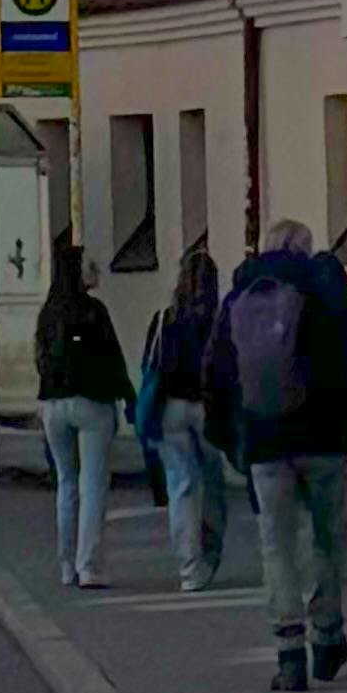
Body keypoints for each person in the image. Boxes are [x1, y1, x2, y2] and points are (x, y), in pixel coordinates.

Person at [204, 217, 347, 693]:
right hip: (327, 441)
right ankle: (327, 635)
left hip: (265, 443)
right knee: (327, 541)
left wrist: (230, 439)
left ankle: (288, 655)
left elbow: (216, 371)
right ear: (306, 250)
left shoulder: (242, 295)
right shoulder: (327, 293)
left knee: (276, 546)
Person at [136, 249, 231, 592]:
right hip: (206, 408)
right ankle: (210, 551)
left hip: (171, 409)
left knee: (182, 486)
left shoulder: (165, 319)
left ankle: (189, 567)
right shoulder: (219, 320)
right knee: (214, 485)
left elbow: (150, 366)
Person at [34, 248, 129, 591]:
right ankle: (88, 565)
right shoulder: (93, 312)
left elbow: (41, 358)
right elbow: (112, 357)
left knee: (66, 483)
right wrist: (127, 396)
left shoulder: (48, 314)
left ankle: (65, 565)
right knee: (93, 485)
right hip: (92, 404)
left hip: (53, 405)